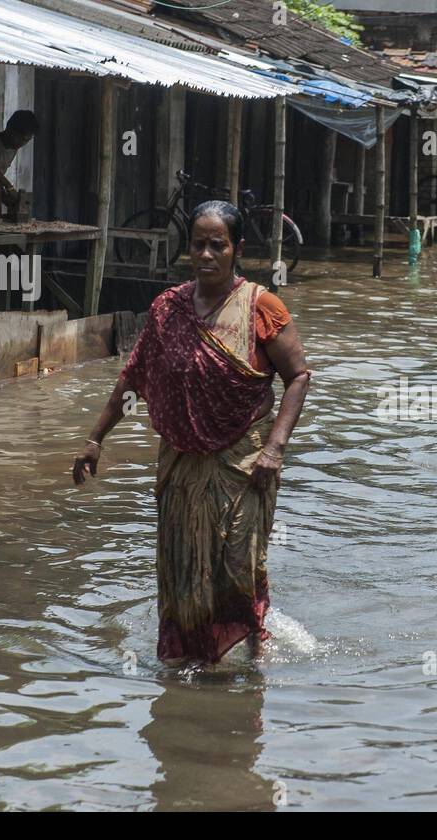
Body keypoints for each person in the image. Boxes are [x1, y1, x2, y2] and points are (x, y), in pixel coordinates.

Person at [72, 200, 311, 665]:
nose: (206, 255)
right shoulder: (168, 308)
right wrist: (95, 438)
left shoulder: (261, 306)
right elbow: (135, 377)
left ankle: (251, 659)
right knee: (182, 569)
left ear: (236, 248)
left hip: (244, 463)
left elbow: (298, 376)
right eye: (198, 244)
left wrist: (276, 449)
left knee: (238, 565)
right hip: (180, 464)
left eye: (217, 245)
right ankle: (187, 663)